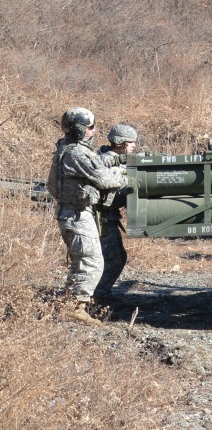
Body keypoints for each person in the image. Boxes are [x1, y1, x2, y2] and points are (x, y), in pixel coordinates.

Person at [47, 108, 129, 325]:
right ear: (79, 130)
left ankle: (70, 304)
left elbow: (98, 164)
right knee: (91, 260)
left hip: (75, 213)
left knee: (82, 260)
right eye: (90, 127)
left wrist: (116, 162)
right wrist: (128, 179)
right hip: (77, 214)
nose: (93, 131)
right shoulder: (76, 153)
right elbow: (104, 179)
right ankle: (75, 307)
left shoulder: (72, 149)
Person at [94, 123, 139, 303]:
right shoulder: (106, 160)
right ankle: (97, 295)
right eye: (131, 142)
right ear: (120, 143)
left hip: (108, 217)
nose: (134, 145)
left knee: (118, 257)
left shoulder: (117, 160)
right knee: (112, 258)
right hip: (100, 218)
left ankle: (101, 293)